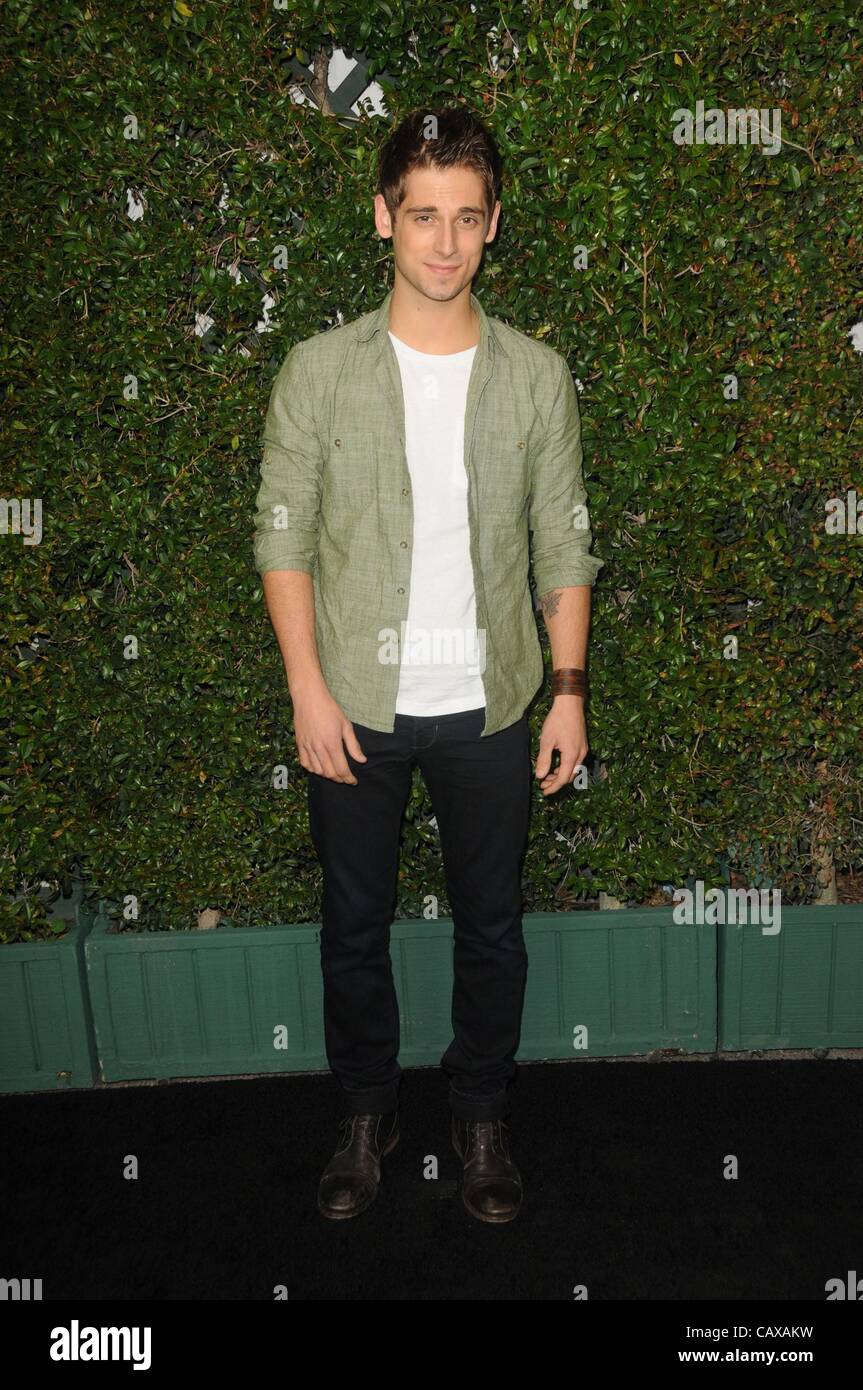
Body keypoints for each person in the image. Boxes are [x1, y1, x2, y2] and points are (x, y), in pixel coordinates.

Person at [253, 105, 604, 1224]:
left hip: (495, 704)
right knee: (351, 926)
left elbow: (564, 541)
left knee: (490, 925)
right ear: (382, 219)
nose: (442, 242)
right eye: (421, 217)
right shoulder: (315, 373)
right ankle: (365, 1112)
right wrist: (306, 687)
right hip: (353, 702)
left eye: (463, 218)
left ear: (493, 225)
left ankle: (481, 1113)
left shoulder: (536, 378)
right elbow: (282, 536)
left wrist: (565, 692)